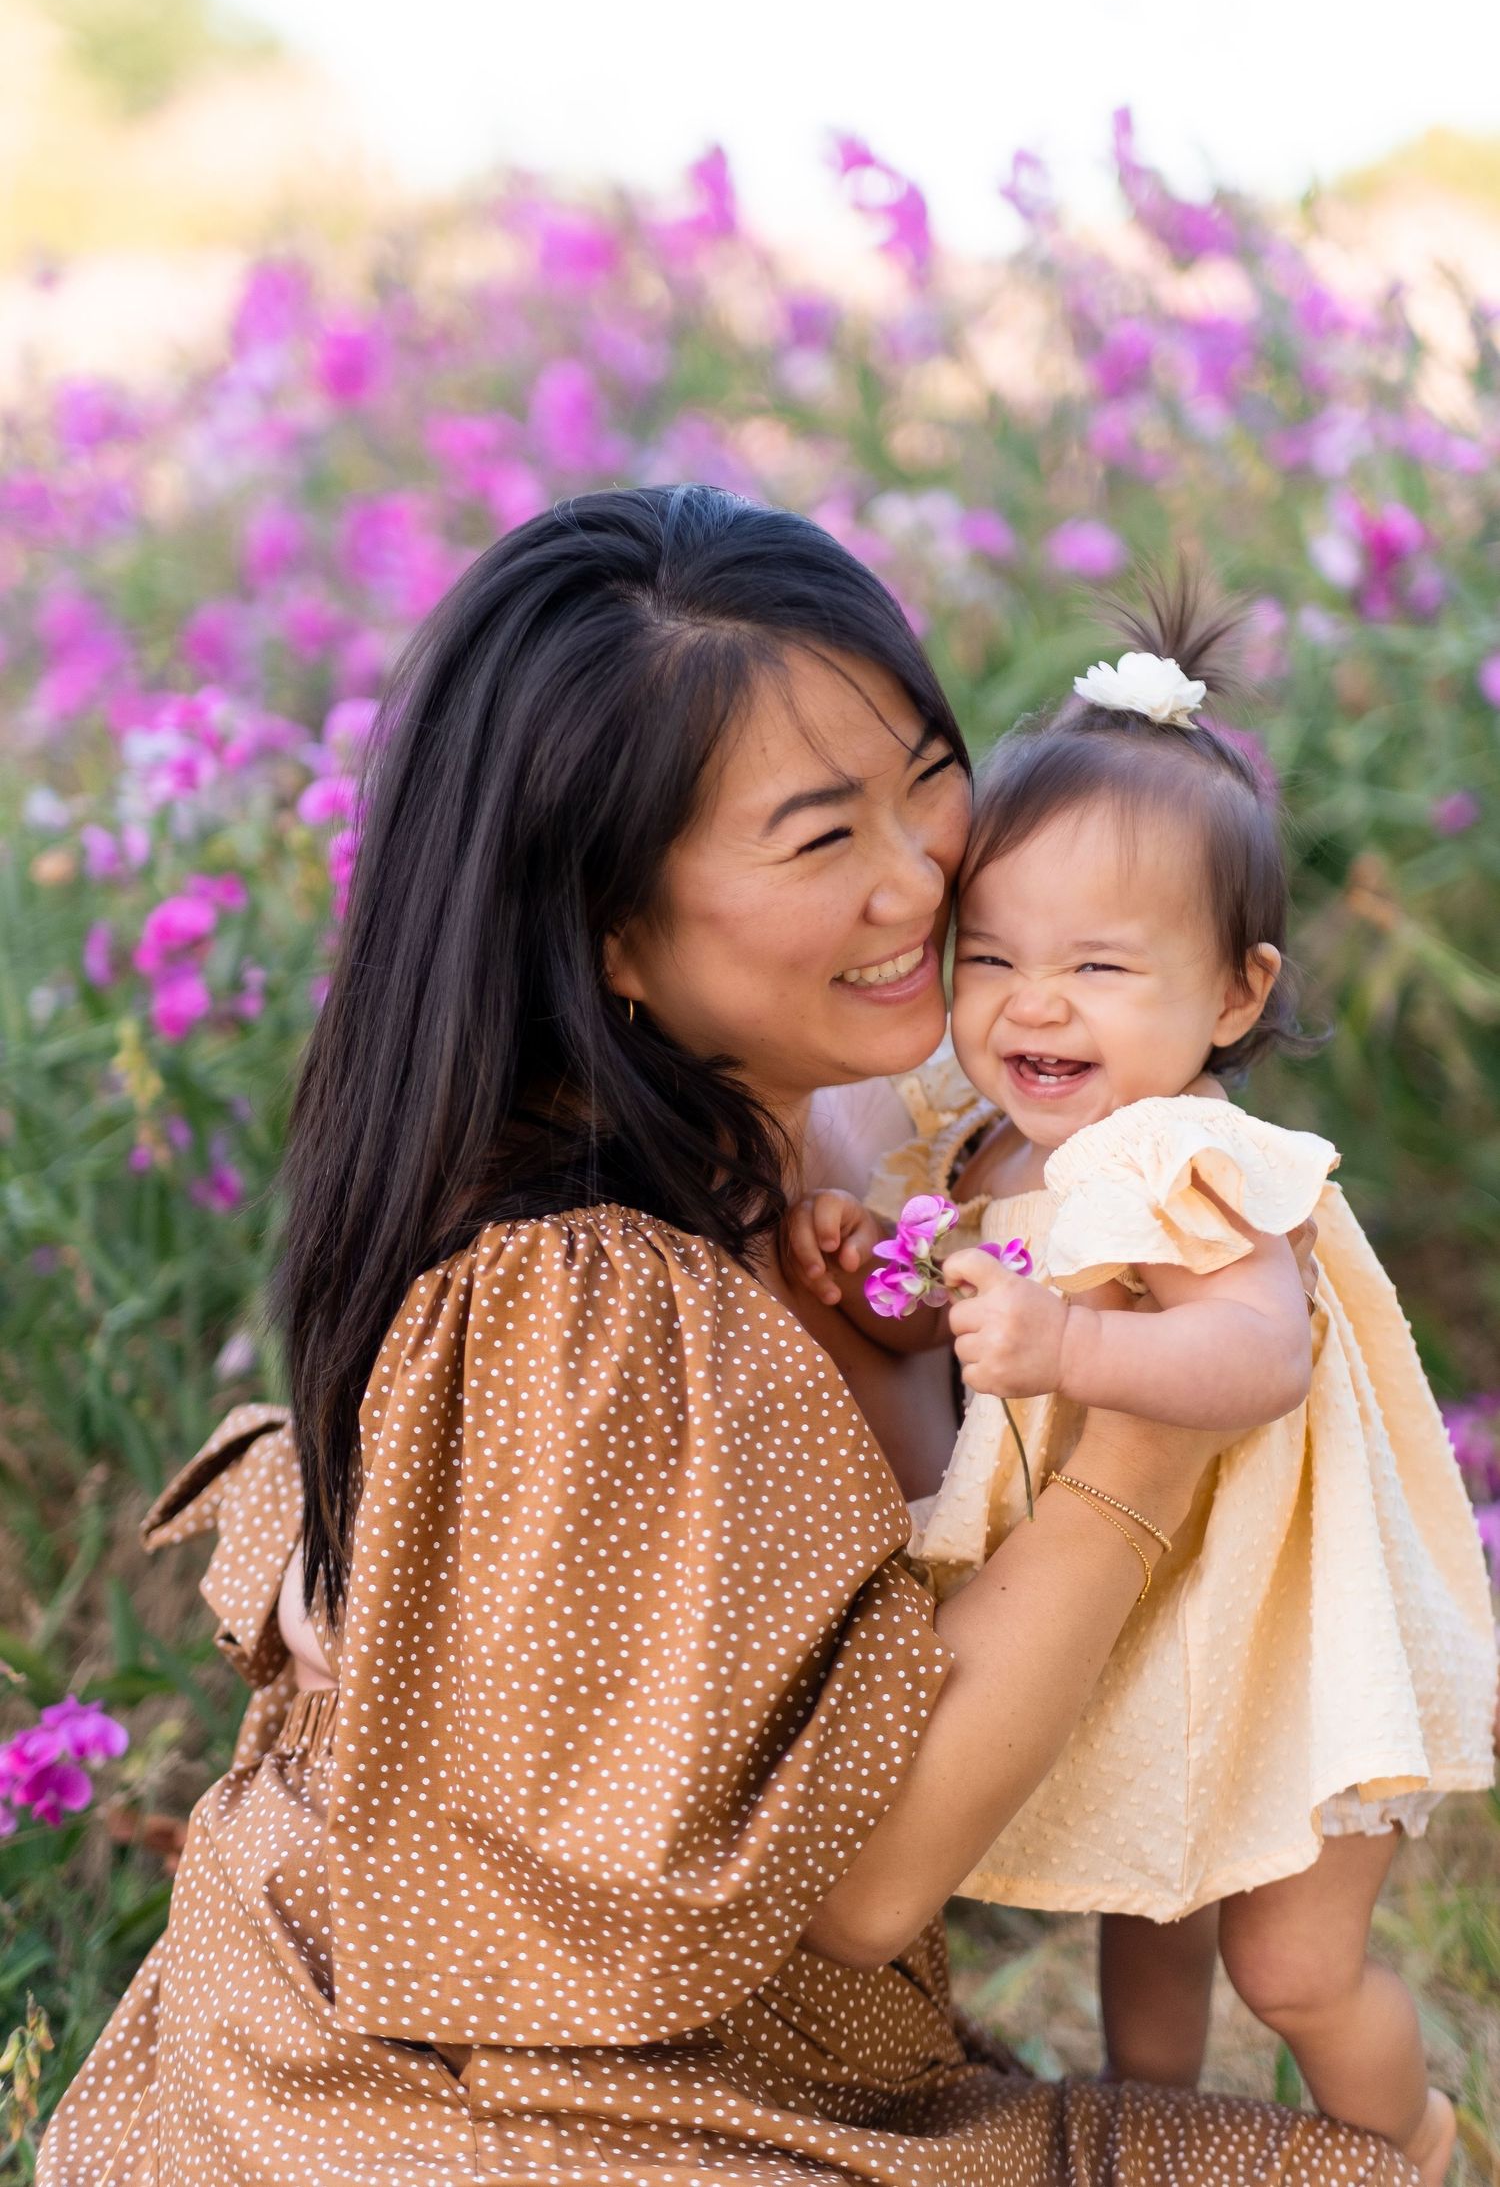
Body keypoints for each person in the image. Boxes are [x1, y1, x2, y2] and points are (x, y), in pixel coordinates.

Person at [40, 491, 1422, 2185]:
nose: (924, 875)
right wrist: (1138, 1440)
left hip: (764, 2033)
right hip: (504, 2085)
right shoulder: (587, 1289)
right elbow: (864, 1883)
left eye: (928, 775)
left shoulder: (897, 1109)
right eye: (821, 837)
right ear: (612, 929)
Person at [787, 570, 1496, 2187]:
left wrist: (1072, 1348)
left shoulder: (1196, 1155)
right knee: (1150, 1908)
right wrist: (887, 1283)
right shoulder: (988, 1147)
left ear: (1236, 993)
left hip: (1291, 1633)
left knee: (1294, 1966)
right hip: (1163, 1627)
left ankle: (1411, 2148)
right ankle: (1155, 2138)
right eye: (996, 958)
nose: (1034, 1003)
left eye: (1102, 968)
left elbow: (1257, 1350)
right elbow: (978, 1308)